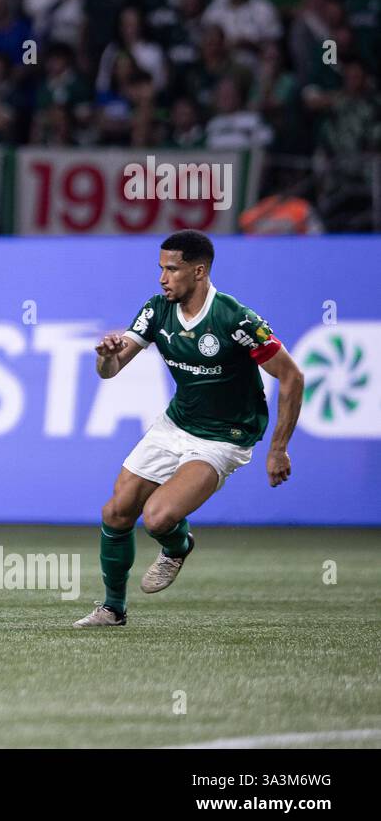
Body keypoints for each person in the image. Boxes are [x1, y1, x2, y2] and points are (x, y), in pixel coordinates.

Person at [75, 230, 304, 627]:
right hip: (175, 423)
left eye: (171, 269)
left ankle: (178, 545)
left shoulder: (236, 318)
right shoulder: (157, 309)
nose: (162, 278)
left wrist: (279, 448)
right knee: (116, 511)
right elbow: (111, 371)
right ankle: (113, 609)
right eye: (160, 268)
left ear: (199, 272)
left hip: (225, 437)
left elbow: (292, 376)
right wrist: (105, 358)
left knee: (158, 518)